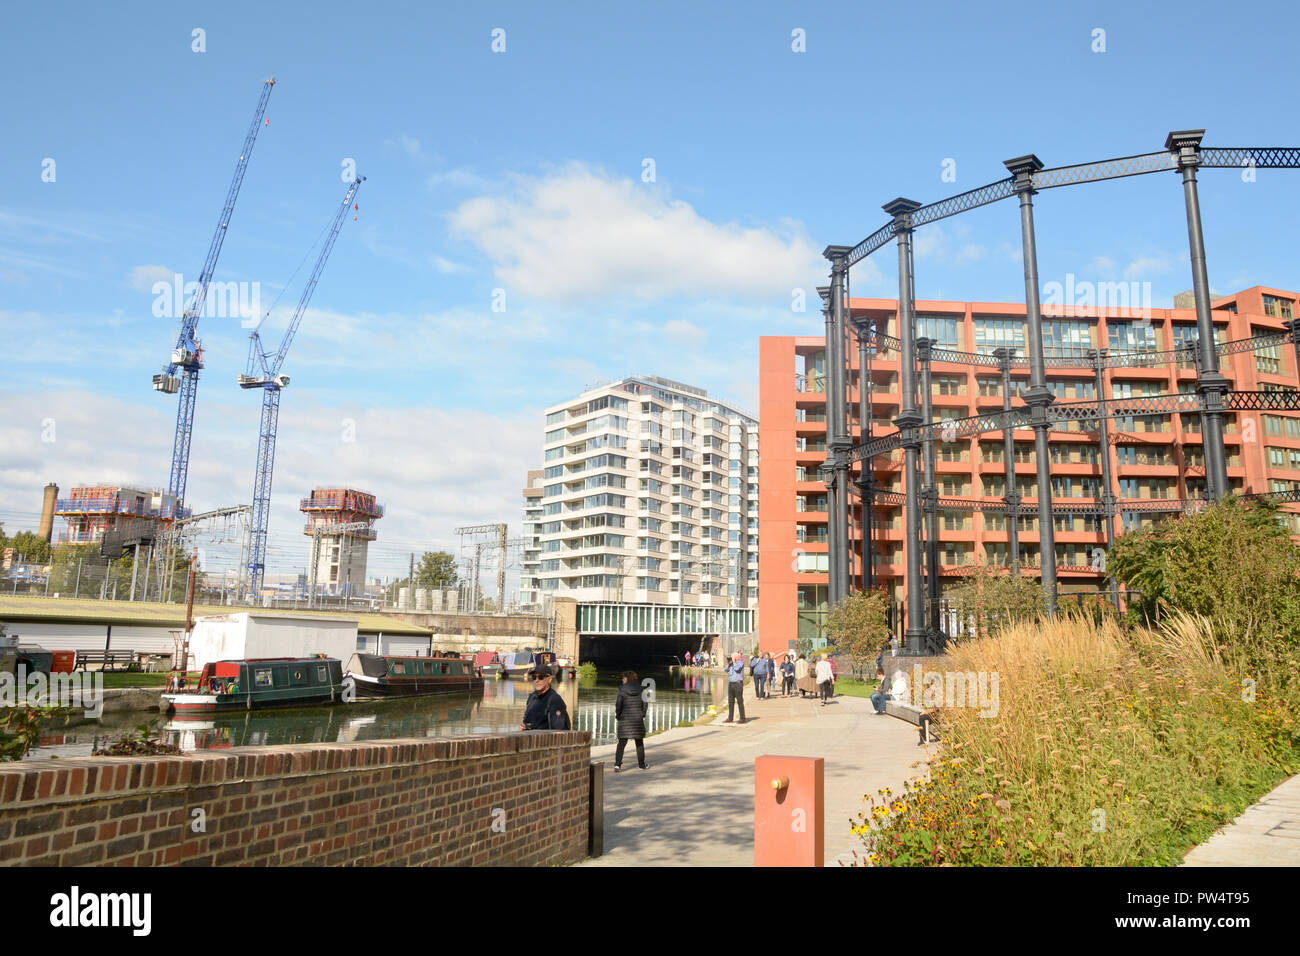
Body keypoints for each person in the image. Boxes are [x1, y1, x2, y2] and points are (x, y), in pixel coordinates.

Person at [613, 671, 649, 772]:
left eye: (623, 678)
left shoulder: (622, 690)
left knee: (621, 743)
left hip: (625, 720)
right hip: (637, 720)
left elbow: (618, 705)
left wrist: (618, 715)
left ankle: (617, 765)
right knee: (639, 743)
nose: (622, 680)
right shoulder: (641, 689)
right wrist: (642, 714)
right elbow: (645, 704)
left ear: (627, 679)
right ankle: (641, 765)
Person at [518, 665, 570, 730]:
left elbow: (558, 731)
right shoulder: (532, 697)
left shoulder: (555, 700)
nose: (537, 680)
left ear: (549, 679)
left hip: (544, 736)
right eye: (534, 677)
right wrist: (524, 727)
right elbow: (526, 721)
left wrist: (531, 729)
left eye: (541, 677)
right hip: (529, 735)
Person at [724, 652, 747, 723]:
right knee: (730, 702)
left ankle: (742, 718)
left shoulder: (740, 663)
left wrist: (734, 662)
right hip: (731, 684)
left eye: (732, 657)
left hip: (738, 684)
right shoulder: (731, 664)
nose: (731, 658)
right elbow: (726, 670)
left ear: (736, 657)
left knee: (740, 701)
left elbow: (737, 669)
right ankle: (730, 718)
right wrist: (728, 664)